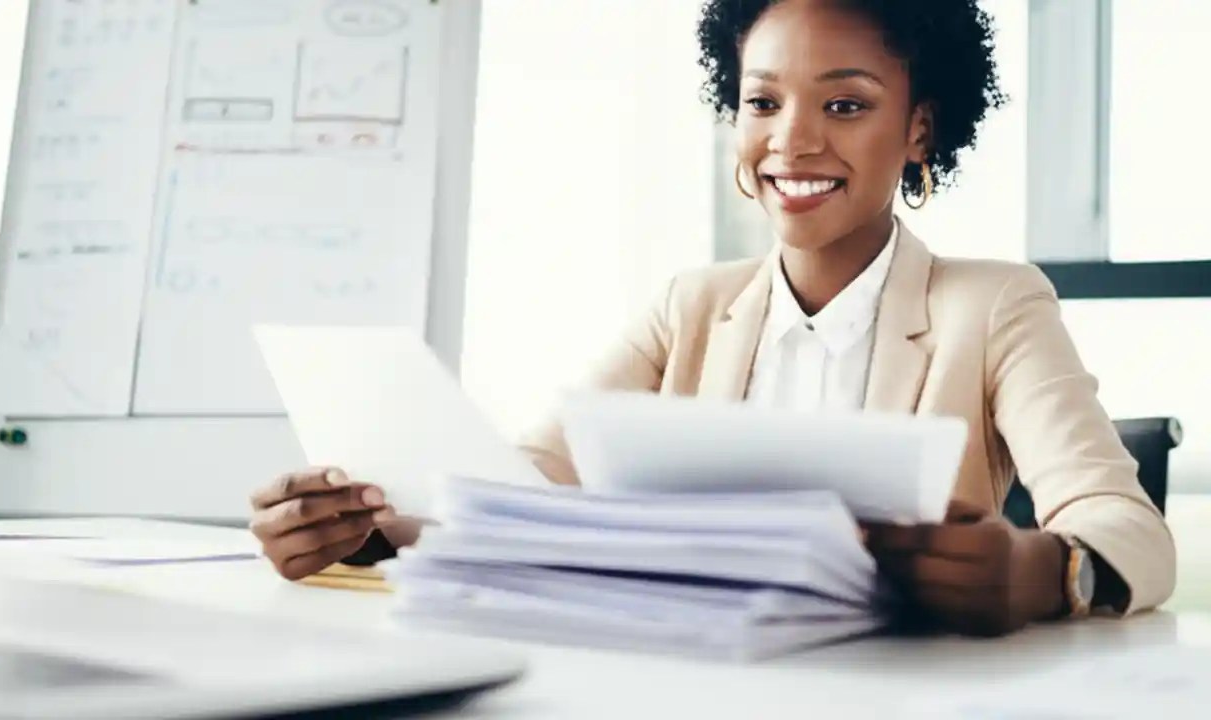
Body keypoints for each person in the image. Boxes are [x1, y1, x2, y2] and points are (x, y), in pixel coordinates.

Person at [249, 0, 1175, 636]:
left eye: (845, 105)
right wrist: (374, 527)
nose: (793, 140)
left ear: (920, 129)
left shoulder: (994, 303)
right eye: (763, 101)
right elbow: (525, 483)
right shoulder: (690, 306)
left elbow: (1124, 525)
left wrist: (1047, 573)